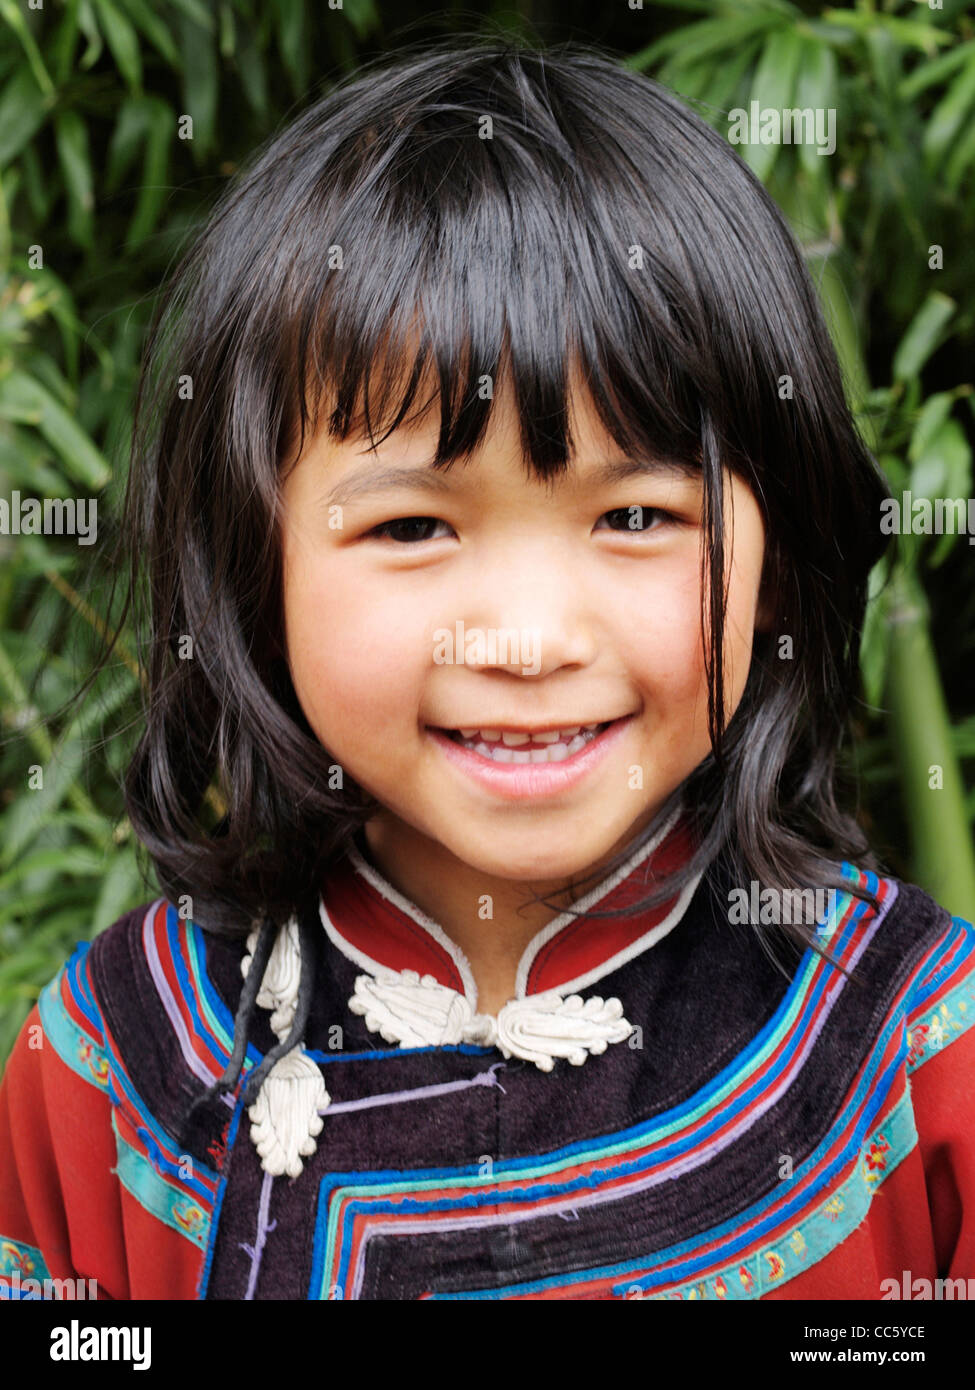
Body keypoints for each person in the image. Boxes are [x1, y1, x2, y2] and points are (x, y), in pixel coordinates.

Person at [1, 37, 972, 1302]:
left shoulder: (917, 1051)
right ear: (256, 565)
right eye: (413, 527)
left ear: (779, 553)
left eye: (635, 518)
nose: (523, 639)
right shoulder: (114, 1066)